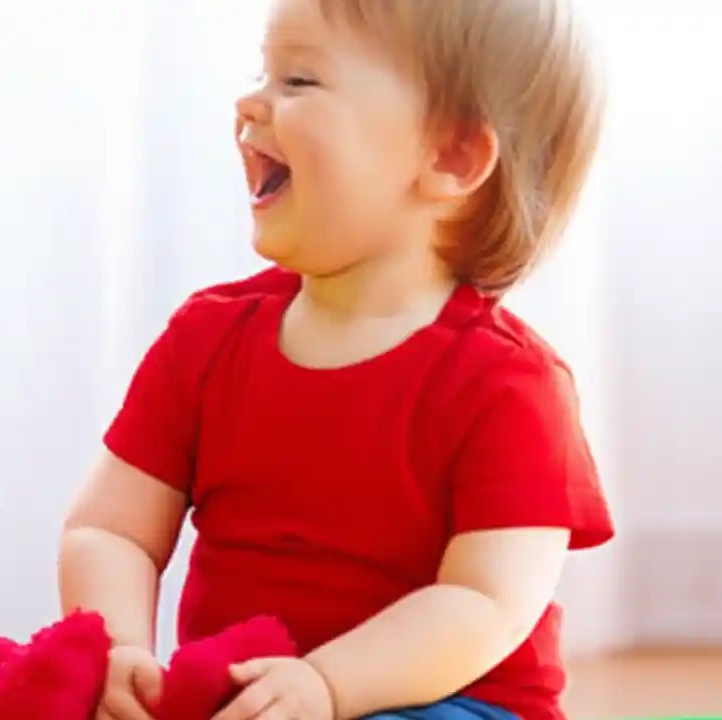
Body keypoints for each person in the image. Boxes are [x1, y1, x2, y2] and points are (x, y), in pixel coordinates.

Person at [58, 1, 614, 719]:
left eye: (299, 81)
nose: (250, 100)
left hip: (445, 701)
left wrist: (328, 685)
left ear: (451, 157)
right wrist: (119, 648)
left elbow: (487, 603)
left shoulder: (510, 384)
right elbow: (110, 528)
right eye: (265, 71)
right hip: (243, 700)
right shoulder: (208, 339)